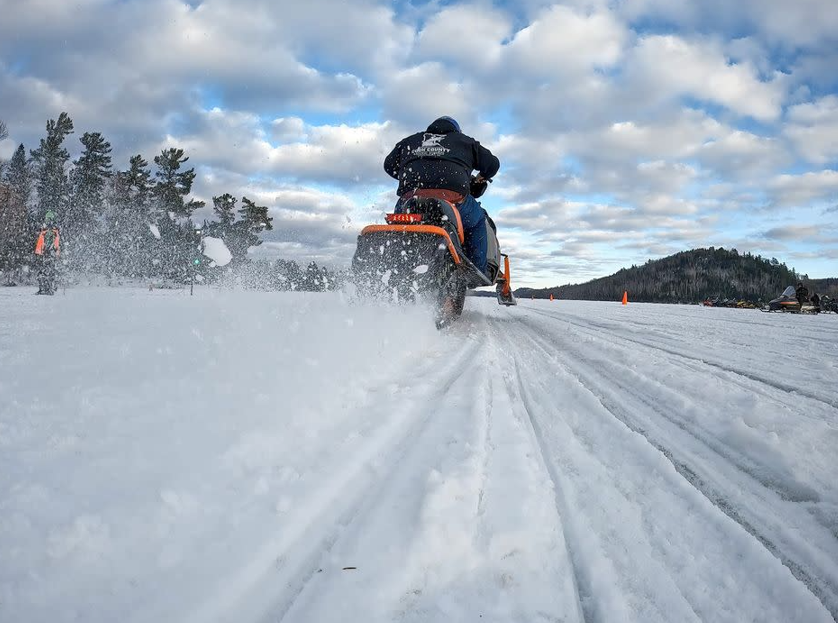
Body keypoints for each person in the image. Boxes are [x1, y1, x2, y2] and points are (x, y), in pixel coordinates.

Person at [384, 116, 500, 274]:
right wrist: (480, 178)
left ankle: (397, 265)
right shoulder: (465, 141)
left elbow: (388, 165)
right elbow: (493, 165)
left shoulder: (411, 141)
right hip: (453, 201)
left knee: (400, 229)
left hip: (410, 201)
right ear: (456, 131)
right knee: (478, 220)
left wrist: (412, 175)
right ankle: (476, 268)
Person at [34, 211, 61, 295]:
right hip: (45, 253)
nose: (46, 221)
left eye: (47, 219)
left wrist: (48, 251)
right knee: (44, 272)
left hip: (47, 253)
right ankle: (44, 289)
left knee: (47, 272)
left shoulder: (50, 231)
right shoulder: (47, 230)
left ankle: (48, 289)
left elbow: (52, 243)